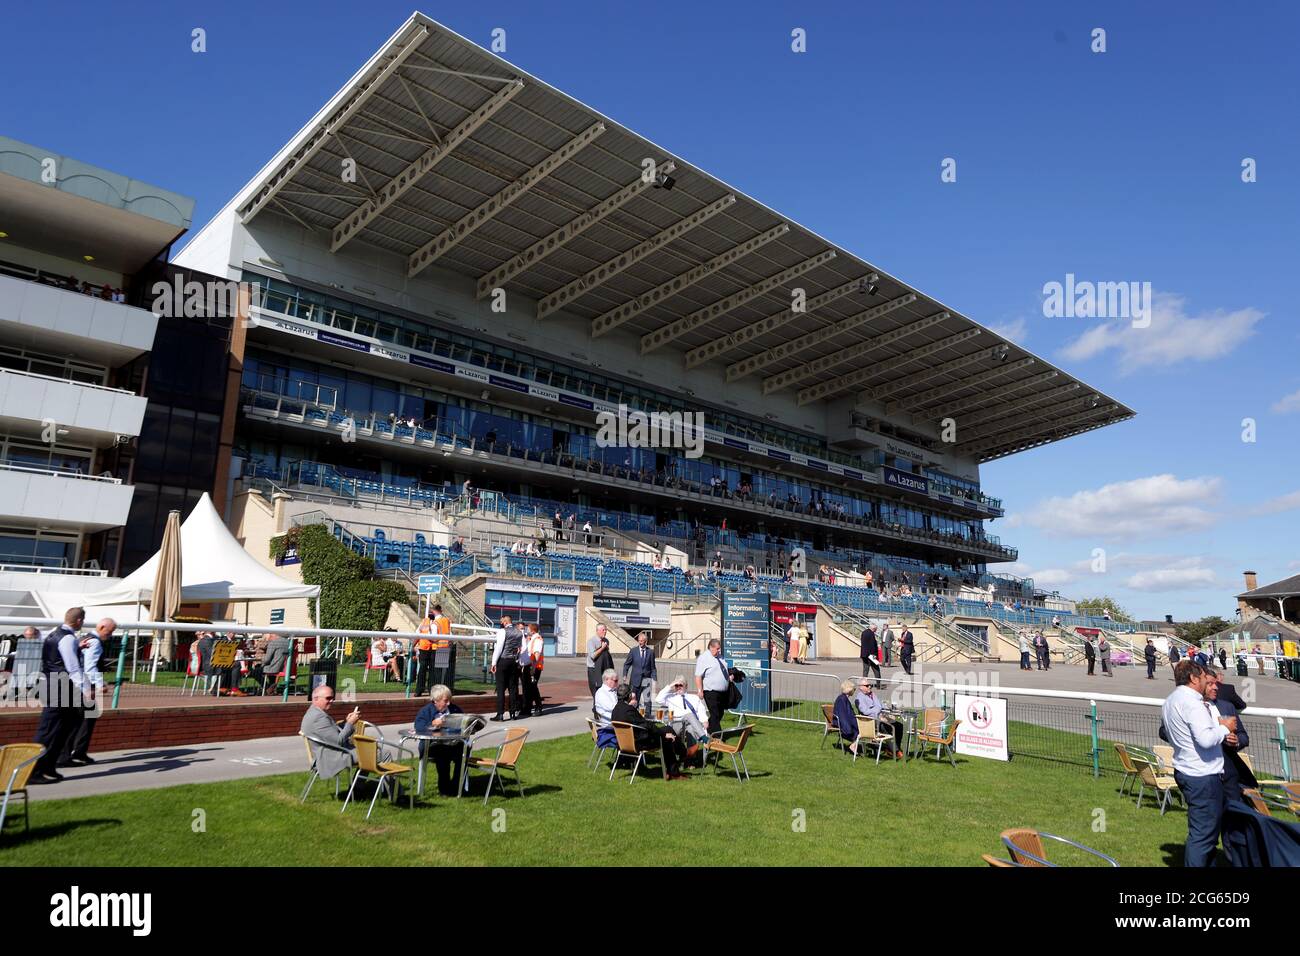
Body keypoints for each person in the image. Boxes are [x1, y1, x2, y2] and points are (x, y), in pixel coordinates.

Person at [1161, 661, 1235, 867]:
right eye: (1204, 678)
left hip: (1188, 771)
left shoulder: (1170, 700)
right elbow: (1205, 739)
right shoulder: (1192, 702)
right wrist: (1225, 728)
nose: (1208, 682)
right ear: (1194, 679)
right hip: (1202, 777)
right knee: (1203, 836)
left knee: (1207, 835)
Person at [31, 607, 88, 783]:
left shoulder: (53, 634)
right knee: (48, 731)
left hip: (54, 686)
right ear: (79, 621)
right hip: (60, 688)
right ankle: (34, 772)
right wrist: (86, 689)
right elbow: (73, 668)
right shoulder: (68, 638)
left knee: (62, 729)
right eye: (83, 620)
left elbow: (57, 656)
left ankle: (49, 766)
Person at [60, 618, 115, 766]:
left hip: (75, 683)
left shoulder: (83, 637)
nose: (110, 635)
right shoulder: (95, 642)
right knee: (84, 719)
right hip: (84, 686)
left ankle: (74, 752)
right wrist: (99, 684)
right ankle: (75, 753)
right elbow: (90, 666)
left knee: (79, 718)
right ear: (102, 627)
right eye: (110, 632)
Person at [611, 683, 686, 779]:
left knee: (667, 731)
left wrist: (662, 733)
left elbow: (643, 725)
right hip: (639, 743)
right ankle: (677, 766)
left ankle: (680, 756)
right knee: (667, 735)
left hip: (624, 743)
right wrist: (663, 734)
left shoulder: (616, 709)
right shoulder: (629, 710)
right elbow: (646, 725)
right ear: (629, 695)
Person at [1205, 670, 1256, 802]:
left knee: (1235, 811)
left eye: (1215, 683)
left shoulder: (1226, 706)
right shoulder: (1191, 707)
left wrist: (1236, 741)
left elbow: (1243, 736)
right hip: (1204, 773)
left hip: (1228, 772)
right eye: (1210, 684)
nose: (1216, 687)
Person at [300, 685, 360, 784]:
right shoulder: (319, 718)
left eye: (333, 698)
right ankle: (391, 795)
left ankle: (358, 786)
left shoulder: (313, 712)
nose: (332, 701)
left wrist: (346, 722)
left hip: (328, 753)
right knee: (380, 754)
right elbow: (339, 741)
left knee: (372, 752)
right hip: (332, 757)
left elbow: (330, 732)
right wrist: (350, 723)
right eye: (328, 698)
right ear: (315, 698)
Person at [413, 684, 464, 797]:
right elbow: (419, 728)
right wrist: (432, 724)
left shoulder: (455, 709)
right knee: (443, 754)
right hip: (432, 746)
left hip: (453, 743)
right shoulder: (426, 711)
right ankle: (445, 789)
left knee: (464, 751)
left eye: (449, 700)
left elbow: (464, 723)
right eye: (445, 701)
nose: (448, 703)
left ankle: (457, 785)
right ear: (436, 700)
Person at [854, 679, 903, 759]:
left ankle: (893, 749)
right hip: (870, 722)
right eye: (867, 685)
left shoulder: (872, 694)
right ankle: (896, 751)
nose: (870, 687)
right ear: (861, 687)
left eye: (870, 685)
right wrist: (878, 711)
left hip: (880, 718)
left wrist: (890, 710)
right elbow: (865, 712)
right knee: (887, 727)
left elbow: (880, 705)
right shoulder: (859, 699)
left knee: (899, 726)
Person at [655, 677, 708, 748]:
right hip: (677, 723)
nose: (678, 687)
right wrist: (671, 685)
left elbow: (701, 710)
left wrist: (704, 720)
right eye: (676, 685)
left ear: (686, 686)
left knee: (690, 728)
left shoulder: (694, 697)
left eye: (681, 685)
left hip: (692, 724)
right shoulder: (670, 697)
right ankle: (704, 738)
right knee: (689, 715)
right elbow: (658, 699)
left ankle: (690, 755)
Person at [694, 638, 733, 734]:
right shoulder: (703, 658)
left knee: (720, 713)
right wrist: (700, 690)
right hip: (710, 691)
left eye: (719, 649)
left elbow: (723, 669)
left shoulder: (720, 657)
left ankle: (706, 731)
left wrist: (729, 676)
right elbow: (698, 675)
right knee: (715, 713)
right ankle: (718, 737)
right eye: (717, 648)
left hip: (722, 691)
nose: (719, 650)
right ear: (711, 647)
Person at [489, 614, 524, 721]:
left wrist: (493, 663)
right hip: (514, 661)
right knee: (513, 688)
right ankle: (513, 713)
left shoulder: (502, 631)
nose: (501, 623)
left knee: (500, 688)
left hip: (503, 661)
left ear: (505, 622)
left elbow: (498, 648)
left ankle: (500, 714)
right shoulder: (519, 632)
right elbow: (520, 648)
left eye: (501, 622)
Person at [622, 631, 657, 708]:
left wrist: (654, 679)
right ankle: (633, 715)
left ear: (646, 641)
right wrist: (625, 674)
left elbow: (653, 668)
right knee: (634, 700)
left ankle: (648, 716)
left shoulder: (650, 652)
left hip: (646, 680)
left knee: (647, 701)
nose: (640, 643)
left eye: (642, 641)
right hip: (635, 681)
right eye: (639, 641)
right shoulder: (633, 651)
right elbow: (627, 664)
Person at [832, 679, 862, 756]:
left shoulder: (843, 698)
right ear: (849, 689)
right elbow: (842, 716)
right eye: (853, 689)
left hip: (847, 722)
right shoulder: (842, 699)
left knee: (862, 729)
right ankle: (853, 746)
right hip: (842, 724)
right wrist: (848, 728)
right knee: (861, 731)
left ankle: (854, 745)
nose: (854, 690)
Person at [520, 622, 545, 717]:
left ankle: (539, 707)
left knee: (533, 687)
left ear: (532, 630)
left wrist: (533, 668)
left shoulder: (538, 639)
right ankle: (527, 708)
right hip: (529, 666)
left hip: (534, 667)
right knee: (528, 688)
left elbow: (537, 654)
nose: (527, 630)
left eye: (528, 629)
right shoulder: (532, 639)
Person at [587, 623, 613, 694]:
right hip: (594, 669)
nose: (605, 631)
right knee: (596, 692)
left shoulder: (606, 640)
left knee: (604, 691)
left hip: (604, 669)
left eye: (606, 630)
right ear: (597, 630)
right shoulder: (591, 641)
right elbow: (593, 656)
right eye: (603, 630)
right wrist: (602, 648)